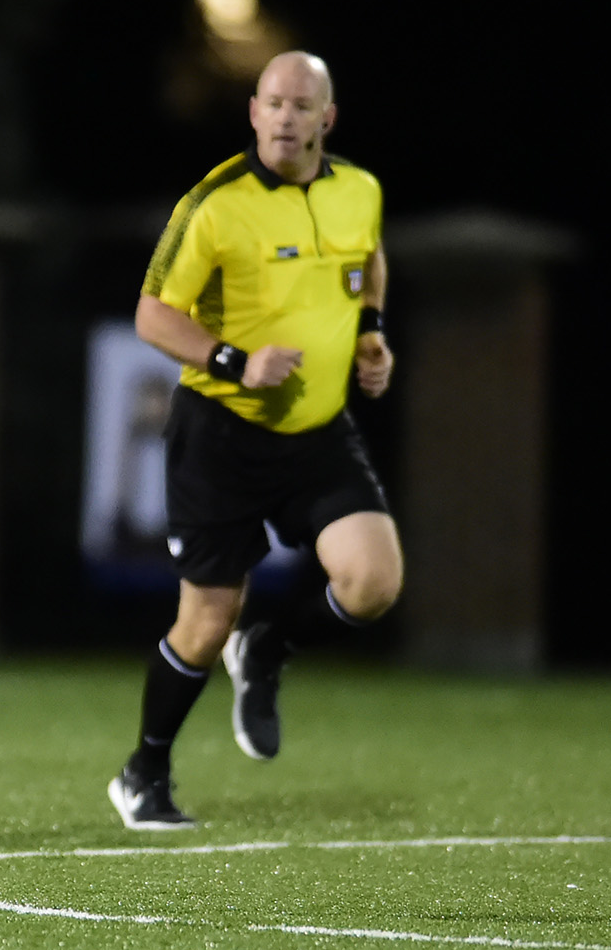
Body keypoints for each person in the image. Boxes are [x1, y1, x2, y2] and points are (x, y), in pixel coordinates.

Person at [109, 51, 403, 830]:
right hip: (220, 437)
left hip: (315, 431)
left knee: (374, 582)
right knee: (206, 621)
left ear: (326, 119)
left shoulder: (359, 191)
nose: (285, 116)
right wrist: (236, 360)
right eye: (272, 102)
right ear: (253, 112)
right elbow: (151, 315)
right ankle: (144, 772)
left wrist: (372, 334)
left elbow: (368, 257)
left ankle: (269, 644)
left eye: (301, 105)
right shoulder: (215, 203)